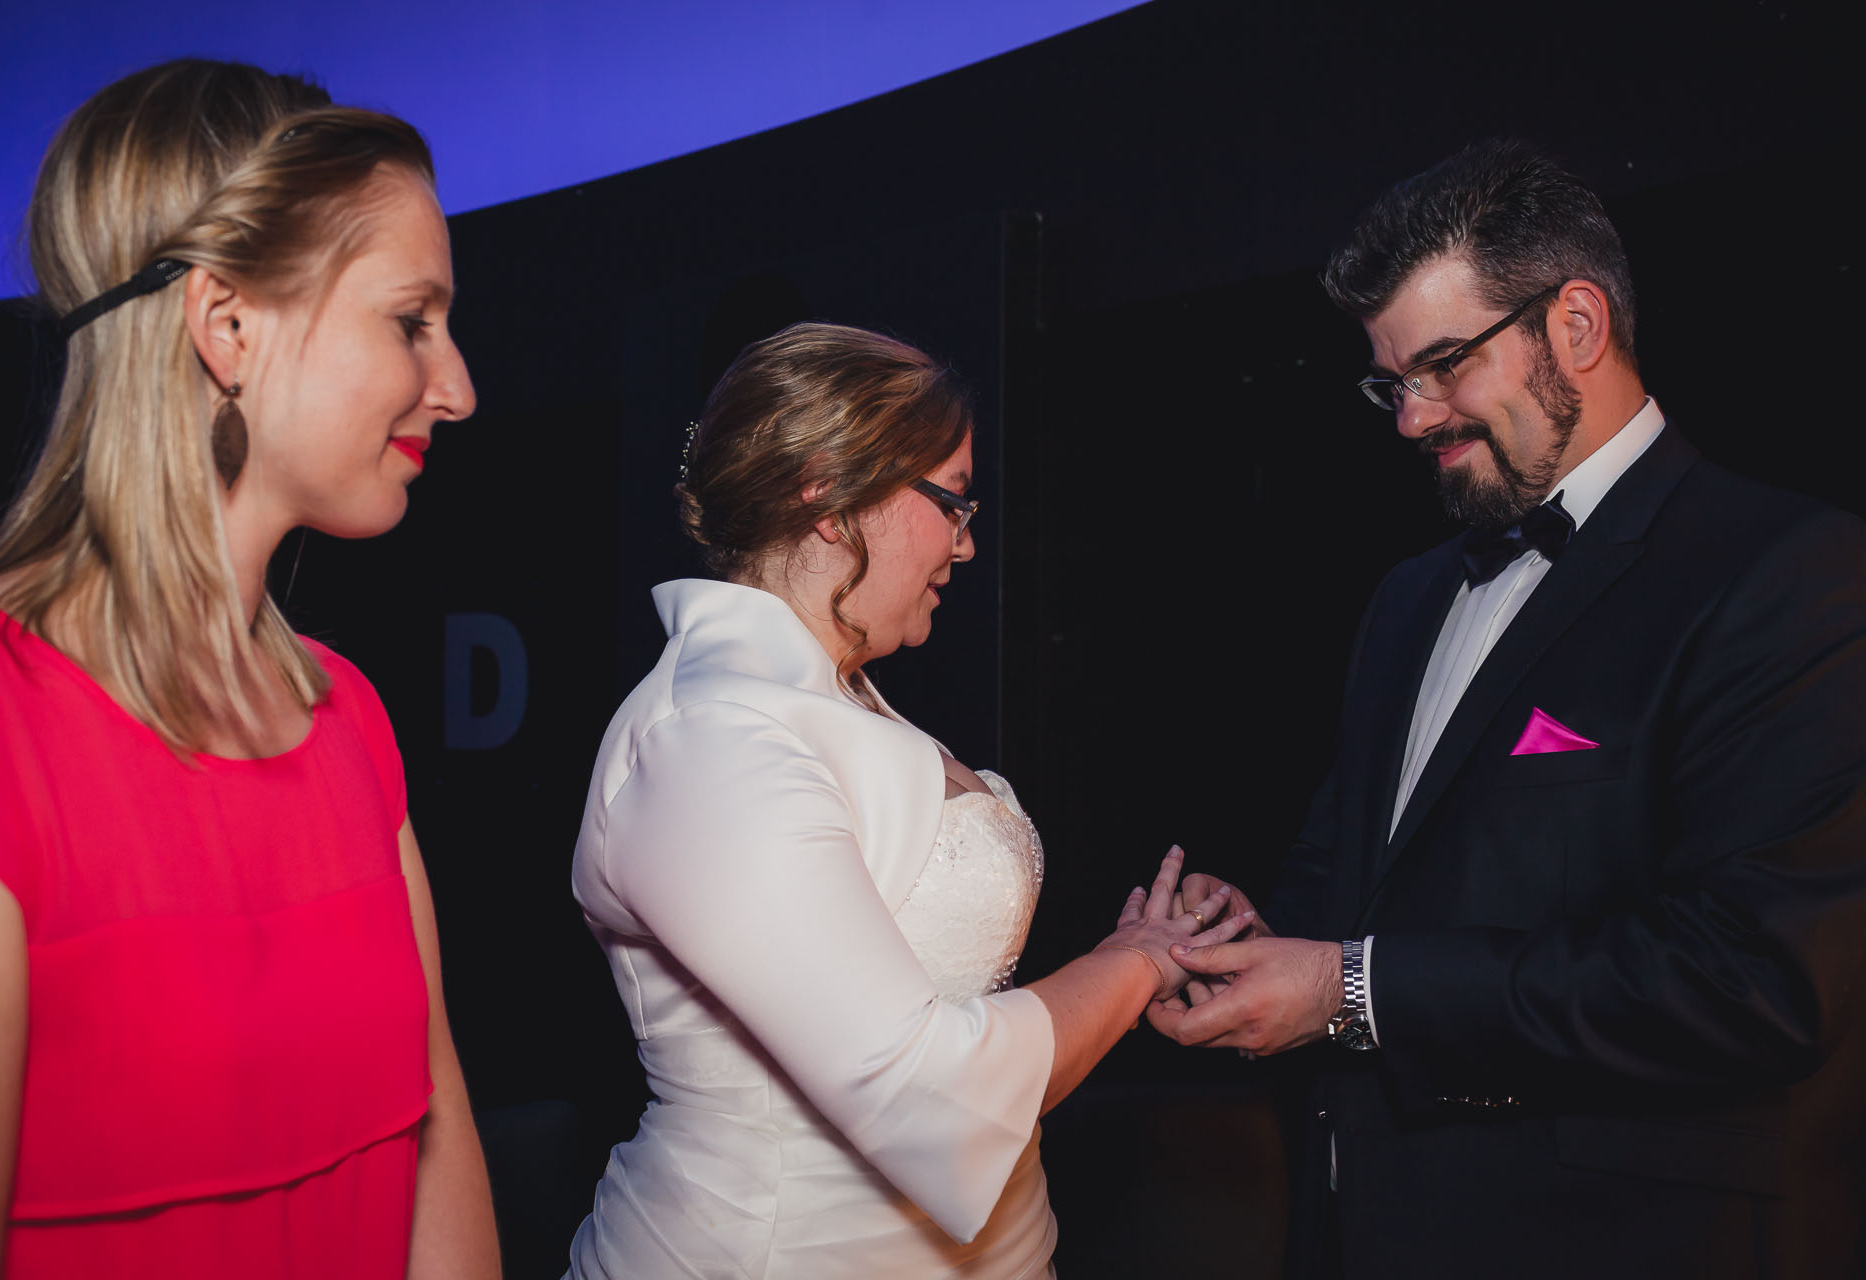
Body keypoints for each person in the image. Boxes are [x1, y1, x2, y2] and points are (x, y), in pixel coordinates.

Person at [1150, 139, 1866, 1278]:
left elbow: (1753, 981)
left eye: (1442, 365)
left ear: (1575, 325)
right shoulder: (1408, 597)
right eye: (1393, 382)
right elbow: (1355, 883)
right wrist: (1253, 938)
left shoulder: (1789, 573)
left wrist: (1348, 990)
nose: (1411, 418)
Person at [0, 60, 499, 1278]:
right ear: (227, 325)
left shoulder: (349, 718)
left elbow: (437, 1143)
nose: (455, 388)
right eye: (411, 321)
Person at [568, 322, 1240, 1278]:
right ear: (831, 497)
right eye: (951, 502)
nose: (966, 546)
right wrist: (1134, 966)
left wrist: (1139, 956)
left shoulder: (834, 693)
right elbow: (928, 1096)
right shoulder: (709, 738)